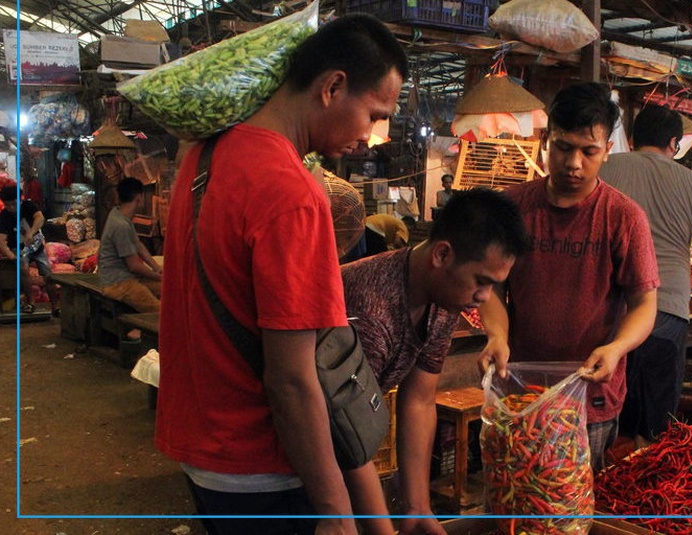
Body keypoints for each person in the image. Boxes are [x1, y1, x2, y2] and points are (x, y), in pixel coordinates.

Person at [154, 14, 406, 535]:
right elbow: (291, 378)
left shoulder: (206, 155)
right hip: (261, 467)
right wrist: (337, 515)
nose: (370, 136)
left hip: (202, 448)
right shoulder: (293, 193)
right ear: (333, 86)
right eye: (374, 114)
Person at [477, 82, 660, 470]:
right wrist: (496, 335)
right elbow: (491, 288)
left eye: (588, 151)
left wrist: (617, 348)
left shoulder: (623, 217)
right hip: (519, 389)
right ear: (545, 141)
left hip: (589, 395)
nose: (573, 163)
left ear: (608, 151)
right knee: (514, 501)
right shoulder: (512, 208)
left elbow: (645, 303)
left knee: (571, 511)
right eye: (563, 147)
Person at [340, 187, 528, 535]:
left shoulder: (442, 301)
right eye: (482, 282)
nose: (485, 298)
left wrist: (417, 508)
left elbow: (420, 399)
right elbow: (346, 436)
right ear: (442, 254)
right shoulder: (370, 310)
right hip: (281, 460)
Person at [600, 104, 692, 446]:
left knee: (604, 413)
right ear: (675, 144)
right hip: (667, 313)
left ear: (631, 139)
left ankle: (599, 488)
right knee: (654, 426)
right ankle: (640, 492)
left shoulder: (605, 168)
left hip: (607, 309)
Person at [97, 177, 162, 313]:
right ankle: (136, 332)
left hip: (126, 277)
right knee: (159, 312)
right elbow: (134, 266)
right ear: (139, 198)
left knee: (167, 290)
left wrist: (157, 268)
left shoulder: (119, 214)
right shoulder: (121, 225)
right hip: (118, 283)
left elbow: (138, 245)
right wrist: (160, 277)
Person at [0, 185, 59, 316]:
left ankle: (55, 306)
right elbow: (1, 241)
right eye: (7, 205)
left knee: (48, 274)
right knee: (24, 270)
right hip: (18, 249)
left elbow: (40, 218)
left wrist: (30, 233)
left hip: (36, 247)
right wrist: (12, 257)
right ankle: (30, 303)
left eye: (14, 204)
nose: (11, 208)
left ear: (20, 200)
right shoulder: (4, 216)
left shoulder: (28, 206)